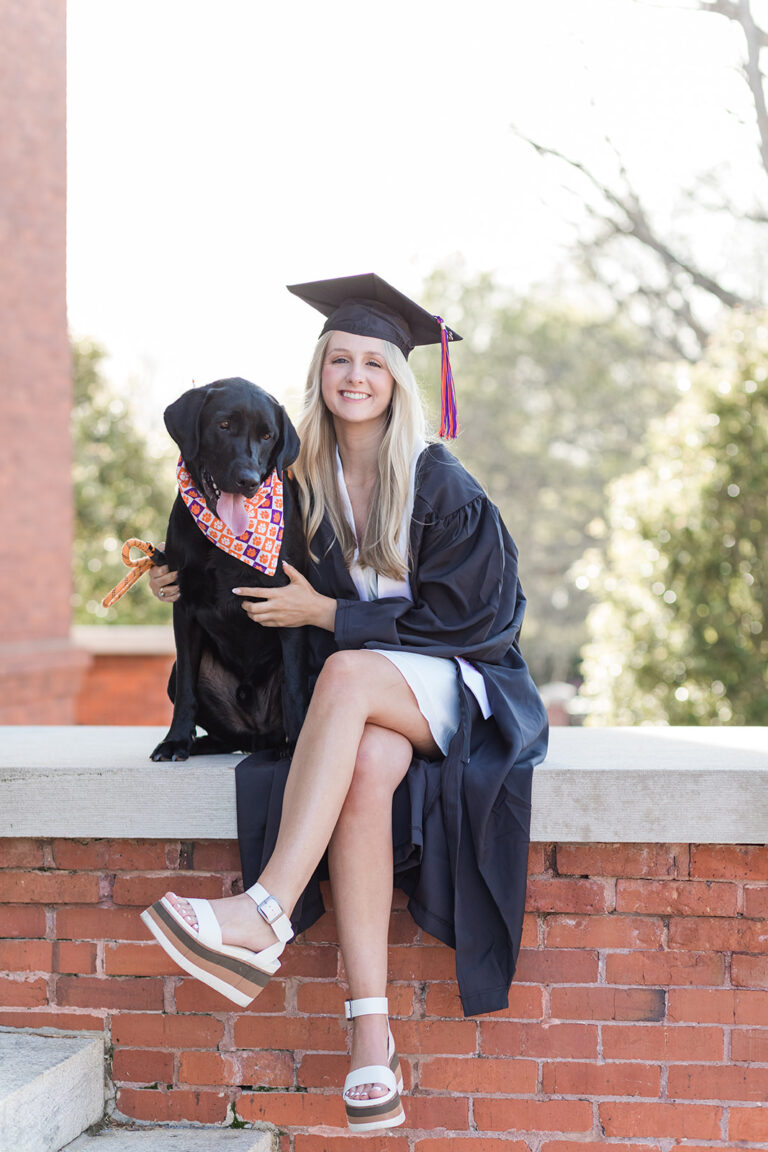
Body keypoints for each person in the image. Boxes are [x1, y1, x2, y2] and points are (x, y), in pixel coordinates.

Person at [142, 273, 548, 1133]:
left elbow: (473, 622)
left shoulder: (439, 482)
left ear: (400, 380)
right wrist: (178, 577)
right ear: (320, 371)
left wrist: (334, 615)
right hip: (371, 708)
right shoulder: (302, 481)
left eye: (373, 361)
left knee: (349, 670)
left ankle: (265, 909)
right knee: (364, 759)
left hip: (463, 684)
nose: (355, 375)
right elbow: (241, 570)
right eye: (339, 359)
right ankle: (373, 1041)